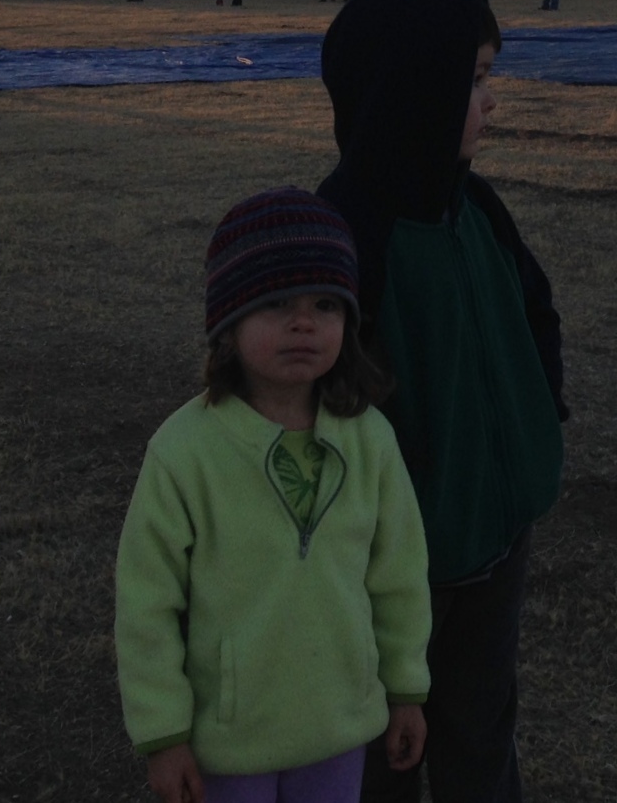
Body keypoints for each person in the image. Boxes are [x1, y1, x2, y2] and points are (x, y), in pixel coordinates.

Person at [316, 0, 566, 803]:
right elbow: (315, 405)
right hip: (397, 564)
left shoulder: (477, 206)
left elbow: (534, 317)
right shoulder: (347, 234)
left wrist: (536, 428)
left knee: (481, 726)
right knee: (384, 745)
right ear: (414, 84)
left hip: (495, 533)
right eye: (478, 78)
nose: (492, 104)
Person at [117, 188, 431, 803]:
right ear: (228, 325)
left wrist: (406, 690)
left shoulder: (371, 442)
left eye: (325, 304)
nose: (304, 323)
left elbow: (399, 577)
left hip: (340, 728)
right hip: (228, 743)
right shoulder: (184, 452)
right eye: (277, 303)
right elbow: (144, 604)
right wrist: (162, 733)